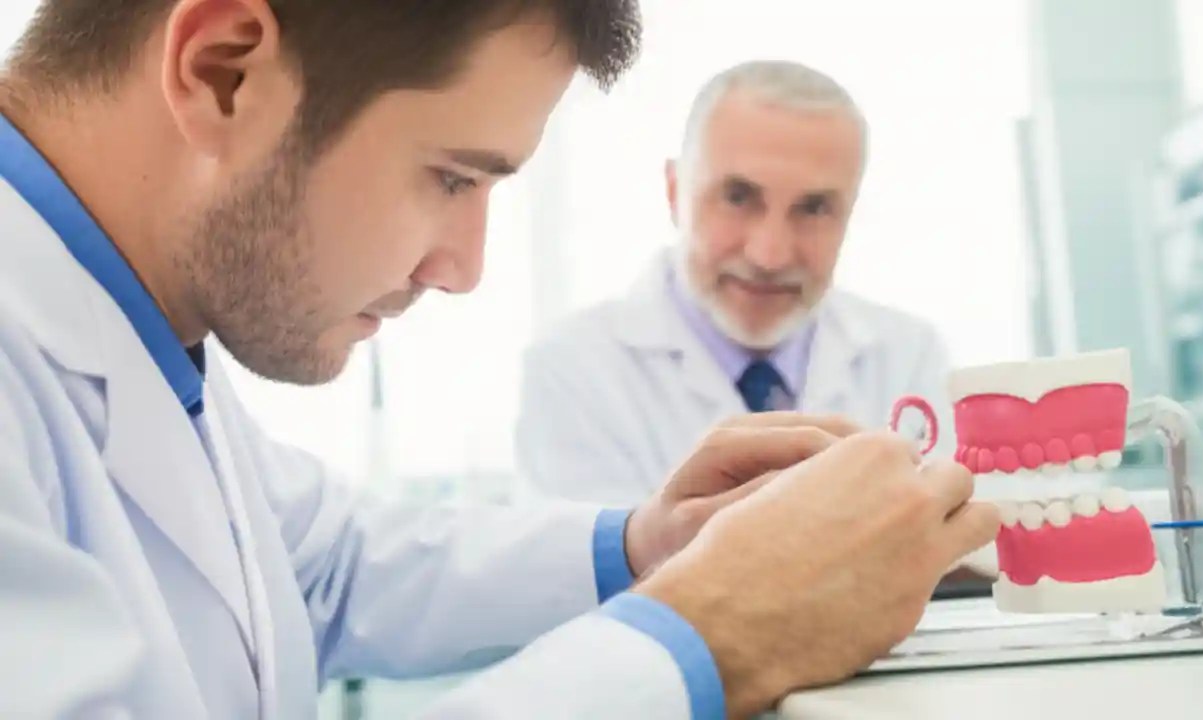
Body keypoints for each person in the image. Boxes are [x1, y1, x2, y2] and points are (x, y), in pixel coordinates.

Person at [0, 2, 998, 719]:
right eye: (450, 177)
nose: (462, 269)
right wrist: (709, 635)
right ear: (224, 71)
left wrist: (649, 545)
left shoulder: (132, 322)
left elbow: (330, 567)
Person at [516, 60, 954, 506]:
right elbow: (593, 553)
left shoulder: (908, 357)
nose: (769, 255)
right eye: (737, 197)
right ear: (674, 192)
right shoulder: (573, 372)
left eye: (814, 208)